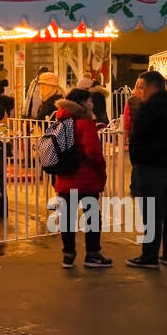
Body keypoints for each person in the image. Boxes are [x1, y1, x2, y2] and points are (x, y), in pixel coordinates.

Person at [126, 71, 167, 269]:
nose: (137, 92)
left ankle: (149, 255)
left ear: (153, 87)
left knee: (151, 212)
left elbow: (138, 139)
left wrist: (137, 161)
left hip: (150, 167)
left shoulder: (147, 109)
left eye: (141, 87)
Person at [52, 88, 111, 269]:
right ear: (82, 102)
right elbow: (93, 152)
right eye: (90, 100)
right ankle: (93, 254)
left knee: (67, 217)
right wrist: (101, 169)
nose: (92, 104)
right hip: (84, 178)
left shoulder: (60, 119)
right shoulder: (84, 122)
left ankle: (68, 255)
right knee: (92, 215)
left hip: (64, 177)